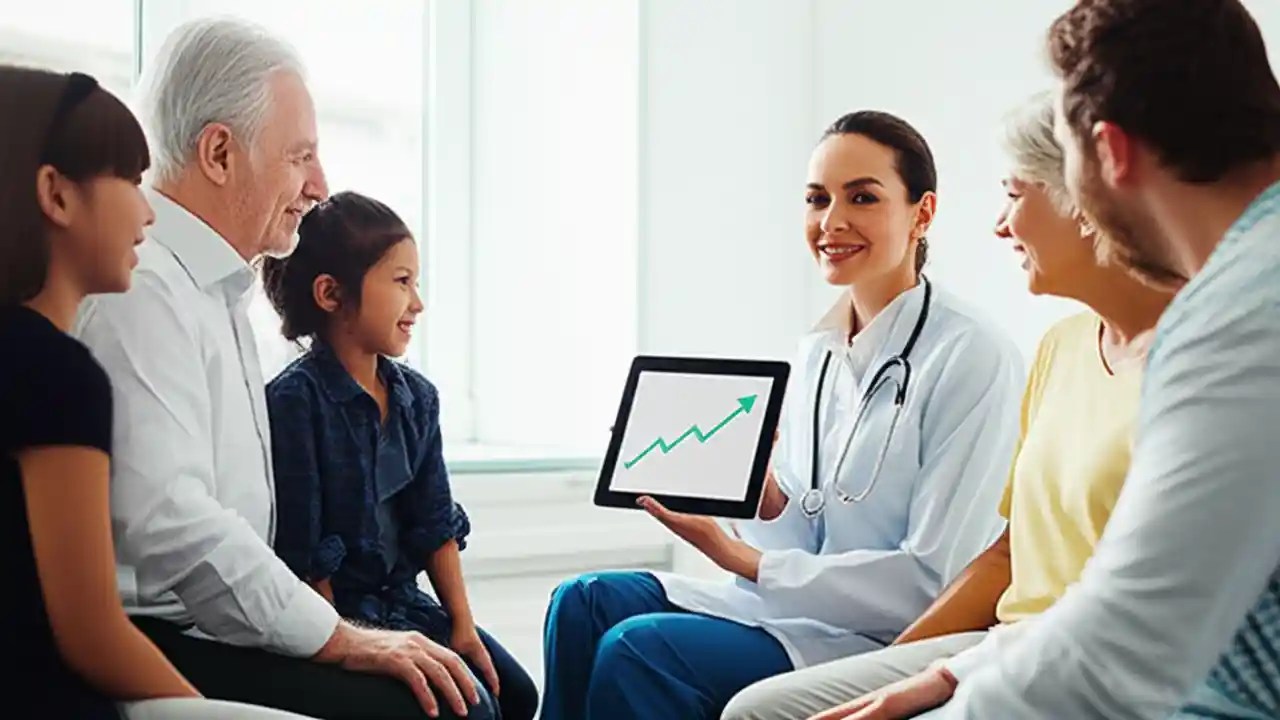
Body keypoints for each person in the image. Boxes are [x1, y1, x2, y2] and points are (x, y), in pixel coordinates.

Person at [796, 1, 1280, 718]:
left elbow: (1127, 642)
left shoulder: (1238, 316)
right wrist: (947, 674)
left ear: (1108, 152)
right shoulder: (1240, 286)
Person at [539, 110, 1026, 720]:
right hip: (795, 608)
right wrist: (764, 499)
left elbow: (932, 579)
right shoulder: (819, 350)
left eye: (863, 198)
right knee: (583, 601)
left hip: (877, 638)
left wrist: (743, 557)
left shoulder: (972, 355)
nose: (831, 222)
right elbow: (808, 530)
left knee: (638, 650)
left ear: (922, 213)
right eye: (817, 198)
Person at [72, 19, 490, 720]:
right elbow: (171, 524)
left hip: (219, 623)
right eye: (301, 157)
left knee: (470, 692)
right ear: (219, 152)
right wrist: (341, 639)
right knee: (442, 706)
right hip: (168, 635)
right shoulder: (145, 293)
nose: (319, 185)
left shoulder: (217, 290)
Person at [721, 91, 1177, 720]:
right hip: (997, 640)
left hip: (1072, 657)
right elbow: (1008, 553)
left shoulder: (1187, 369)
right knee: (738, 700)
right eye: (816, 198)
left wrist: (930, 676)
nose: (998, 225)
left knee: (660, 656)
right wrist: (883, 678)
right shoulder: (1061, 348)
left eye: (1014, 195)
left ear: (1087, 201)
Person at [0, 66, 313, 720]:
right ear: (55, 195)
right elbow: (92, 631)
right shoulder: (57, 374)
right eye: (131, 182)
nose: (148, 211)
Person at [261, 191, 540, 720]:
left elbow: (434, 523)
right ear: (330, 294)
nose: (418, 302)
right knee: (473, 711)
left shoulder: (418, 398)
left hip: (404, 604)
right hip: (342, 619)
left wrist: (462, 627)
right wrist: (344, 652)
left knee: (516, 694)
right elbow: (305, 554)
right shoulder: (294, 402)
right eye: (401, 282)